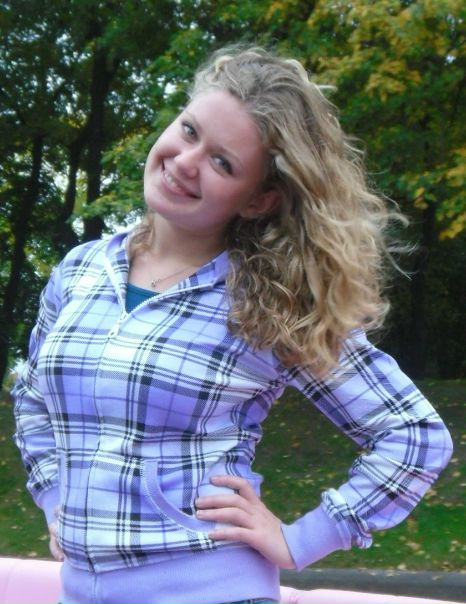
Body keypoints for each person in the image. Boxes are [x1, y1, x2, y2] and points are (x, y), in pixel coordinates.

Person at [12, 46, 453, 604]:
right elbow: (32, 396)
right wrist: (55, 495)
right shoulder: (81, 270)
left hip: (211, 589)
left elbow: (413, 436)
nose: (185, 162)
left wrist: (302, 540)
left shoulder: (270, 301)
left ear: (258, 200)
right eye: (189, 131)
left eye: (222, 163)